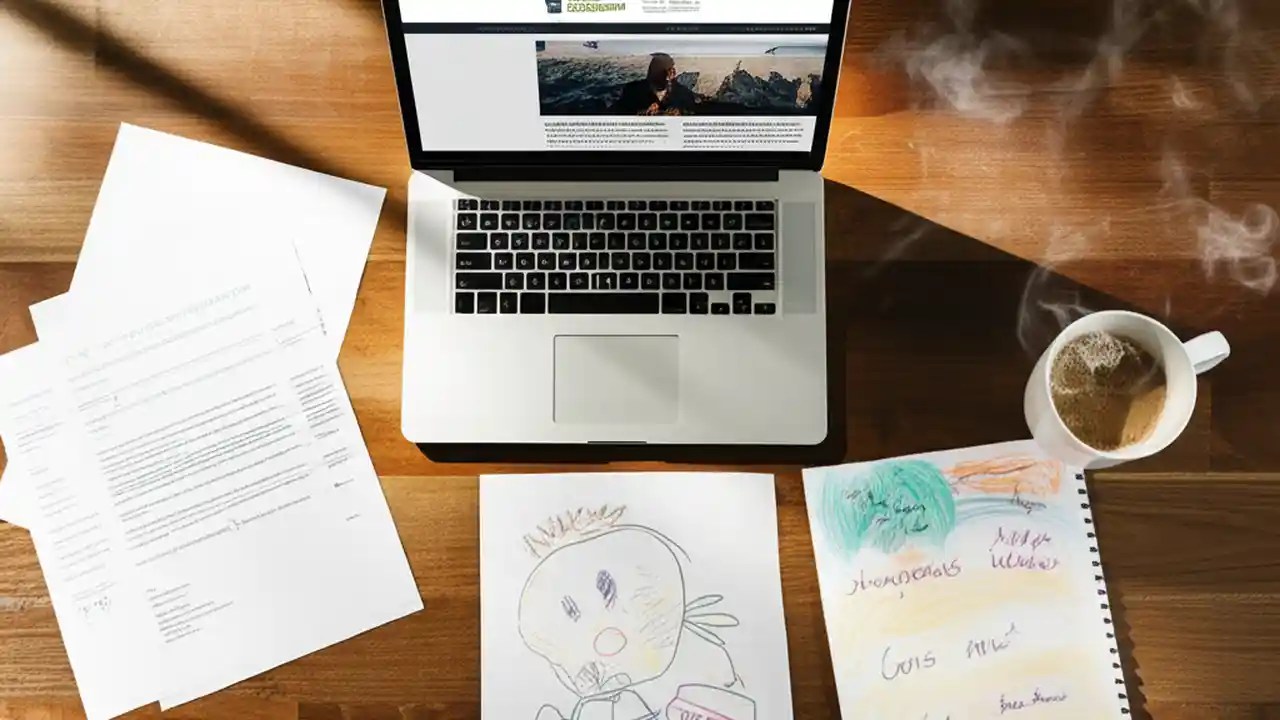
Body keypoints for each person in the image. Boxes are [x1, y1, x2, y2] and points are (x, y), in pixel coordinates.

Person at [610, 53, 698, 115]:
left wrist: (680, 113)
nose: (666, 74)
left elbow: (694, 114)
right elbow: (619, 113)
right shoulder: (633, 90)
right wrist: (642, 113)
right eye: (657, 69)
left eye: (667, 70)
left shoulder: (683, 94)